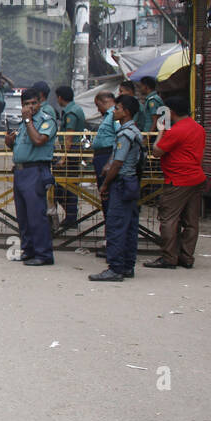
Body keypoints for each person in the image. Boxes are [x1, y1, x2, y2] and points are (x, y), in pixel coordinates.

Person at [145, 93, 206, 269]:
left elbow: (157, 151)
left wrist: (161, 132)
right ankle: (186, 257)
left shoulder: (176, 130)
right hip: (196, 177)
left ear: (171, 112)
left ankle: (169, 257)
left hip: (177, 179)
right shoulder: (198, 128)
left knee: (169, 219)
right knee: (191, 221)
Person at [90, 95, 144, 281]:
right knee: (129, 226)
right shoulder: (135, 131)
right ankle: (128, 266)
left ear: (126, 112)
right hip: (131, 182)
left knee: (115, 226)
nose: (114, 111)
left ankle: (115, 268)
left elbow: (118, 163)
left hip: (121, 182)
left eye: (118, 108)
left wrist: (105, 184)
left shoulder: (124, 134)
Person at [4, 87, 57, 266]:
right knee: (24, 215)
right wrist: (10, 143)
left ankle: (44, 254)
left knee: (36, 215)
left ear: (40, 103)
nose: (31, 107)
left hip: (36, 170)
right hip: (21, 171)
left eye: (34, 103)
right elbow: (21, 147)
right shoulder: (23, 124)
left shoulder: (45, 121)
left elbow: (39, 140)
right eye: (27, 104)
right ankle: (29, 250)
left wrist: (28, 120)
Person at [53, 85, 87, 230]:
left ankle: (71, 216)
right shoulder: (75, 109)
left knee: (66, 185)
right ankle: (71, 215)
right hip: (73, 152)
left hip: (71, 153)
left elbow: (69, 137)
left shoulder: (71, 112)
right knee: (67, 184)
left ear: (60, 98)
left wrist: (64, 158)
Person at [90, 91, 117, 258]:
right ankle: (110, 242)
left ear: (102, 102)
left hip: (108, 159)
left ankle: (112, 243)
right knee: (107, 201)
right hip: (103, 158)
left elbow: (120, 140)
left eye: (97, 106)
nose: (97, 110)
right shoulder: (109, 116)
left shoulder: (115, 116)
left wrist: (109, 162)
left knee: (110, 202)